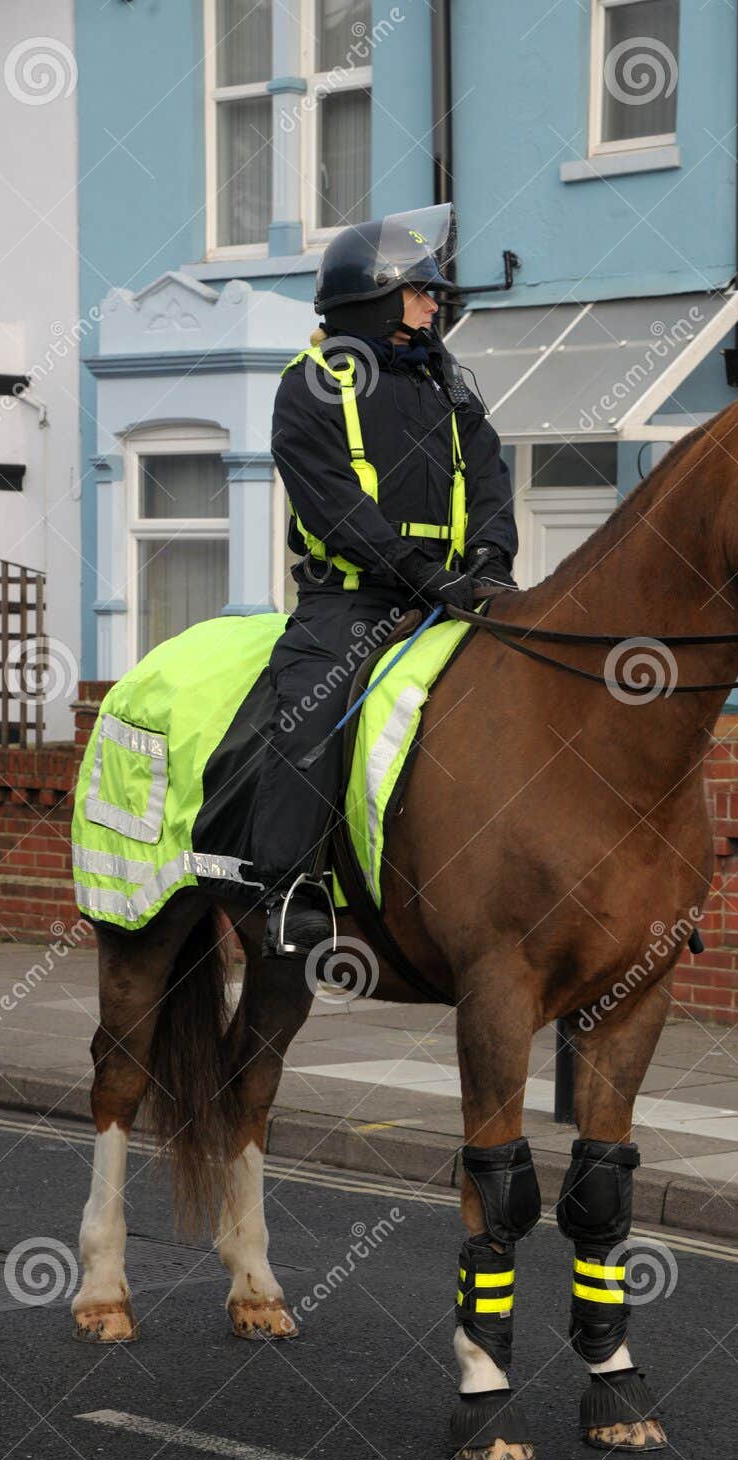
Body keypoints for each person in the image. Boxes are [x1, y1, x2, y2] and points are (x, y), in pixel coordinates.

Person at [250, 203, 519, 957]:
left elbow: (490, 482)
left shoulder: (449, 388)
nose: (436, 303)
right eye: (421, 290)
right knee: (312, 709)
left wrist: (491, 565)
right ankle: (289, 886)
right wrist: (421, 574)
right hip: (355, 598)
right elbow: (336, 506)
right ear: (375, 296)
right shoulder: (310, 387)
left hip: (460, 592)